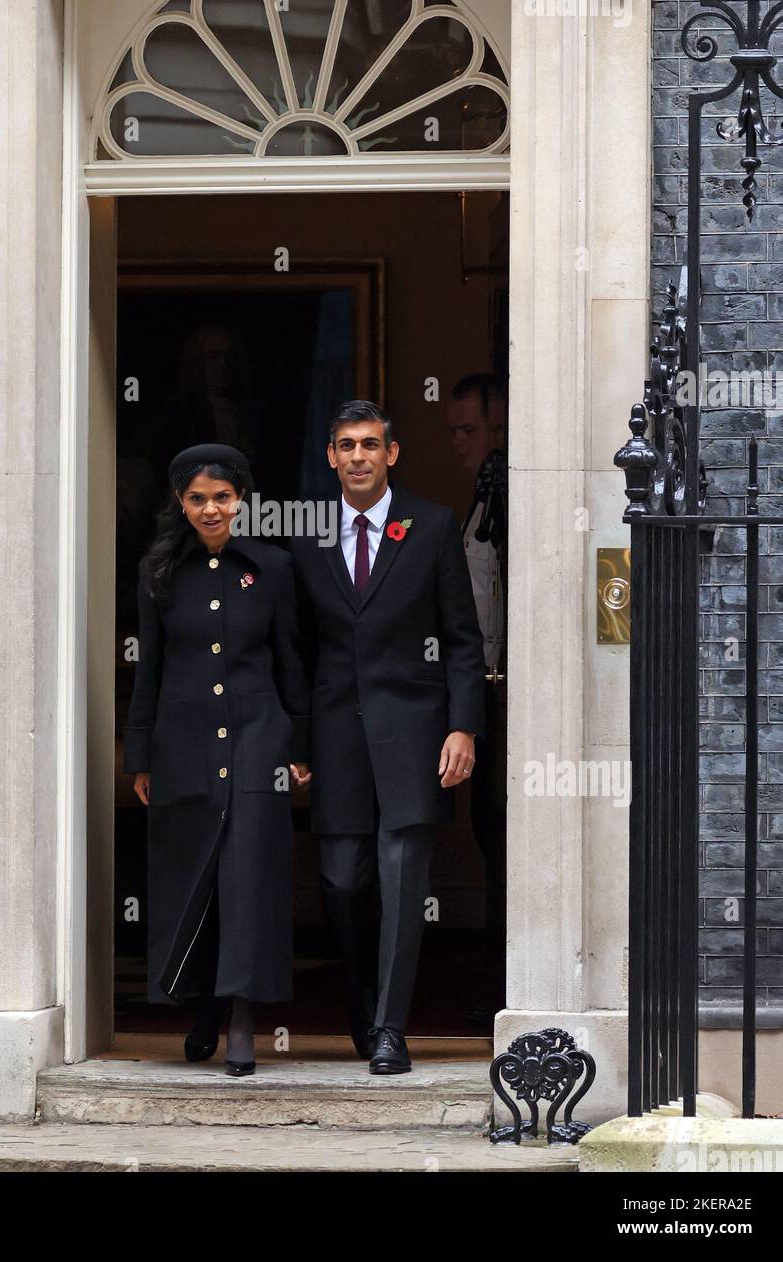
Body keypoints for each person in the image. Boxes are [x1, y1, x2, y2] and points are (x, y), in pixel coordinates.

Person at [290, 401, 486, 1074]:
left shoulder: (430, 527)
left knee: (403, 880)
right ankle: (362, 1008)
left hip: (416, 734)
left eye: (371, 444)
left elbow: (463, 638)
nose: (359, 456)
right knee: (342, 883)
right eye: (347, 445)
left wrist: (463, 726)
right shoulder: (309, 537)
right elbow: (296, 651)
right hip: (335, 737)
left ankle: (390, 1030)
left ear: (392, 454)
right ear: (331, 457)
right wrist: (296, 744)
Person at [124, 444, 311, 1076]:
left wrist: (301, 746)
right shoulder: (158, 570)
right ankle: (201, 1004)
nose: (211, 509)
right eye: (199, 498)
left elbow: (291, 661)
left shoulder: (274, 568)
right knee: (192, 876)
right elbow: (149, 669)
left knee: (248, 877)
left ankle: (242, 1020)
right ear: (182, 501)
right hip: (183, 741)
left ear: (241, 501)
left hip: (258, 735)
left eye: (222, 498)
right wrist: (140, 755)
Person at [447, 374, 508, 936]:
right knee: (487, 825)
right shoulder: (485, 494)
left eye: (469, 429)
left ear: (499, 426)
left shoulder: (508, 495)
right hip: (485, 686)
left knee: (500, 824)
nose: (458, 442)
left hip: (508, 689)